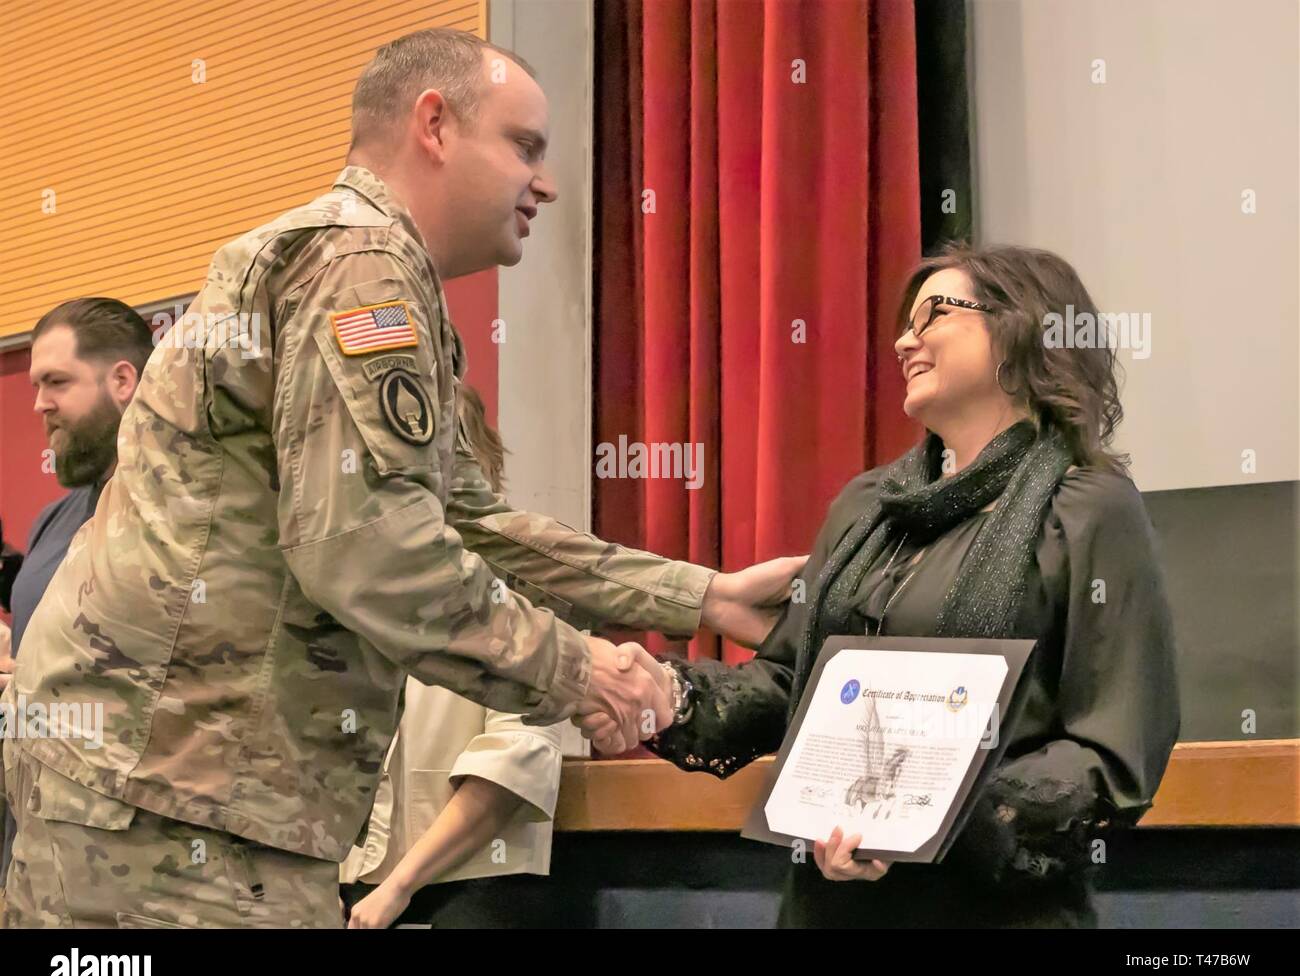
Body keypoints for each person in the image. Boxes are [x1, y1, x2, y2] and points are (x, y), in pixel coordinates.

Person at [0, 28, 803, 929]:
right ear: (435, 124)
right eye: (525, 147)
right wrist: (588, 676)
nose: (545, 183)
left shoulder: (359, 265)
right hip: (174, 809)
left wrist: (700, 596)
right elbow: (371, 550)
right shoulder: (359, 264)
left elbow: (464, 521)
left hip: (162, 791)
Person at [587, 244, 1181, 928]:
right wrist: (664, 694)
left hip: (992, 915)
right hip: (826, 908)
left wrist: (927, 816)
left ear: (1021, 332)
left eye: (935, 315)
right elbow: (789, 685)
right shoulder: (867, 506)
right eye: (905, 322)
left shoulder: (1089, 509)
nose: (905, 339)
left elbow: (1113, 748)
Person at [343, 384, 574, 929]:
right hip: (347, 878)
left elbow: (516, 757)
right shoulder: (346, 578)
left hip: (473, 880)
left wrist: (397, 888)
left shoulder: (519, 576)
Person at [0, 299, 153, 892]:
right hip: (32, 855)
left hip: (128, 866)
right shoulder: (52, 520)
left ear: (122, 380)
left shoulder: (183, 519)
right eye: (36, 383)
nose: (39, 403)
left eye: (57, 382)